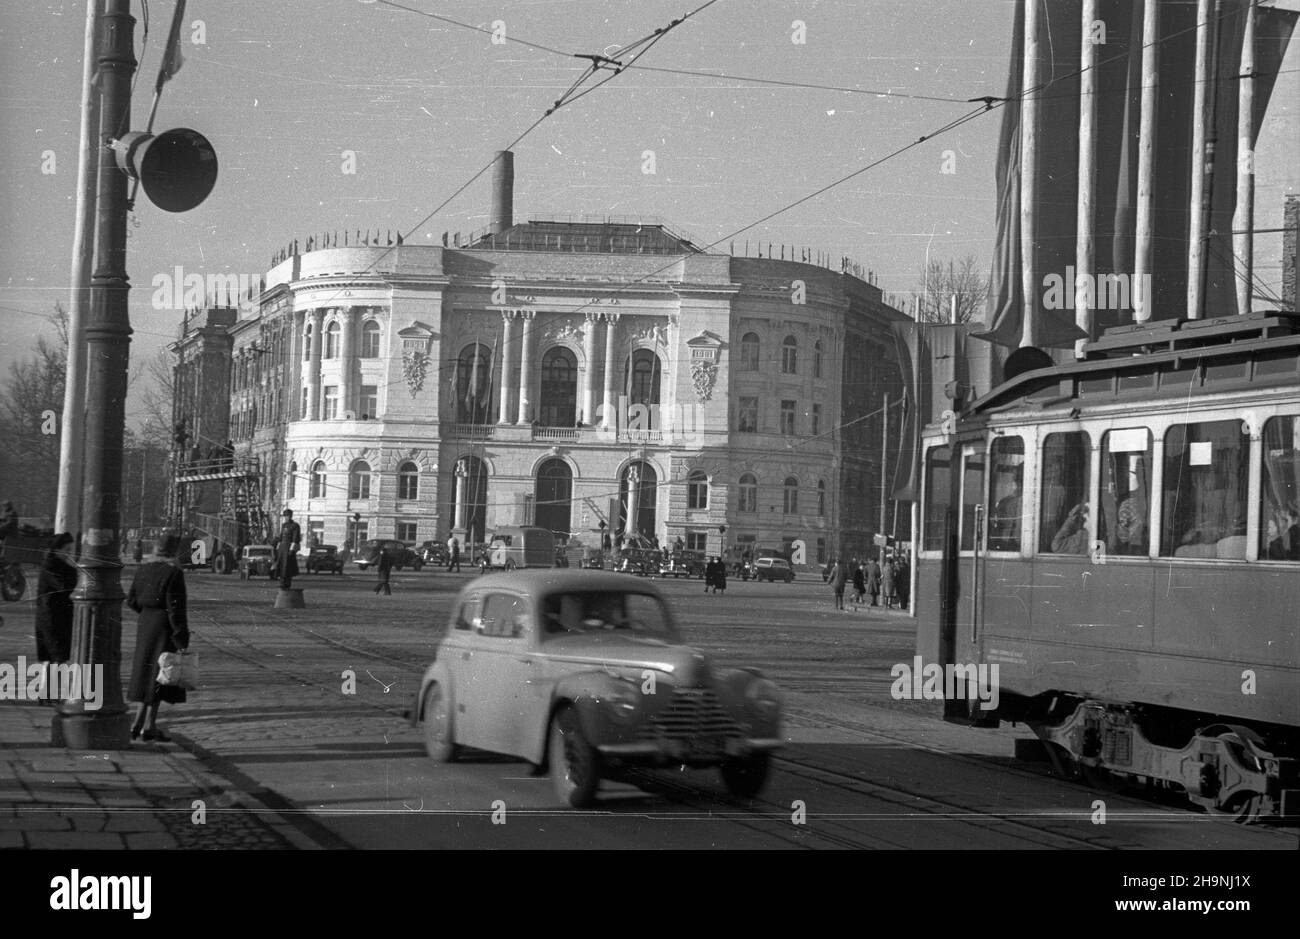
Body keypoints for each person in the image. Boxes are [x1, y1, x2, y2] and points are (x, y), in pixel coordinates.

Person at [126, 534, 190, 742]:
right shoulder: (173, 573)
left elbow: (131, 600)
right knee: (160, 675)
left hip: (145, 623)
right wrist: (181, 636)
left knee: (145, 674)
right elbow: (176, 608)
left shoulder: (143, 569)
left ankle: (137, 722)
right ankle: (149, 725)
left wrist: (147, 613)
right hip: (164, 627)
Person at [35, 533, 77, 703]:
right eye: (66, 550)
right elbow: (64, 586)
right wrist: (74, 568)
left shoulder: (55, 564)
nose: (69, 553)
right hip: (52, 619)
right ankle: (46, 694)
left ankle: (47, 693)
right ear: (57, 549)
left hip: (56, 617)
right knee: (55, 658)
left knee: (53, 659)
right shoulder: (51, 565)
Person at [274, 509, 301, 589]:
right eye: (285, 516)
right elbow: (281, 537)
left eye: (288, 516)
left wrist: (292, 549)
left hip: (289, 548)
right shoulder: (284, 525)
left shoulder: (295, 525)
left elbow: (295, 538)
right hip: (282, 548)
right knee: (281, 565)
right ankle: (281, 581)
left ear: (291, 516)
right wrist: (278, 548)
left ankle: (287, 582)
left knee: (288, 566)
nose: (286, 518)